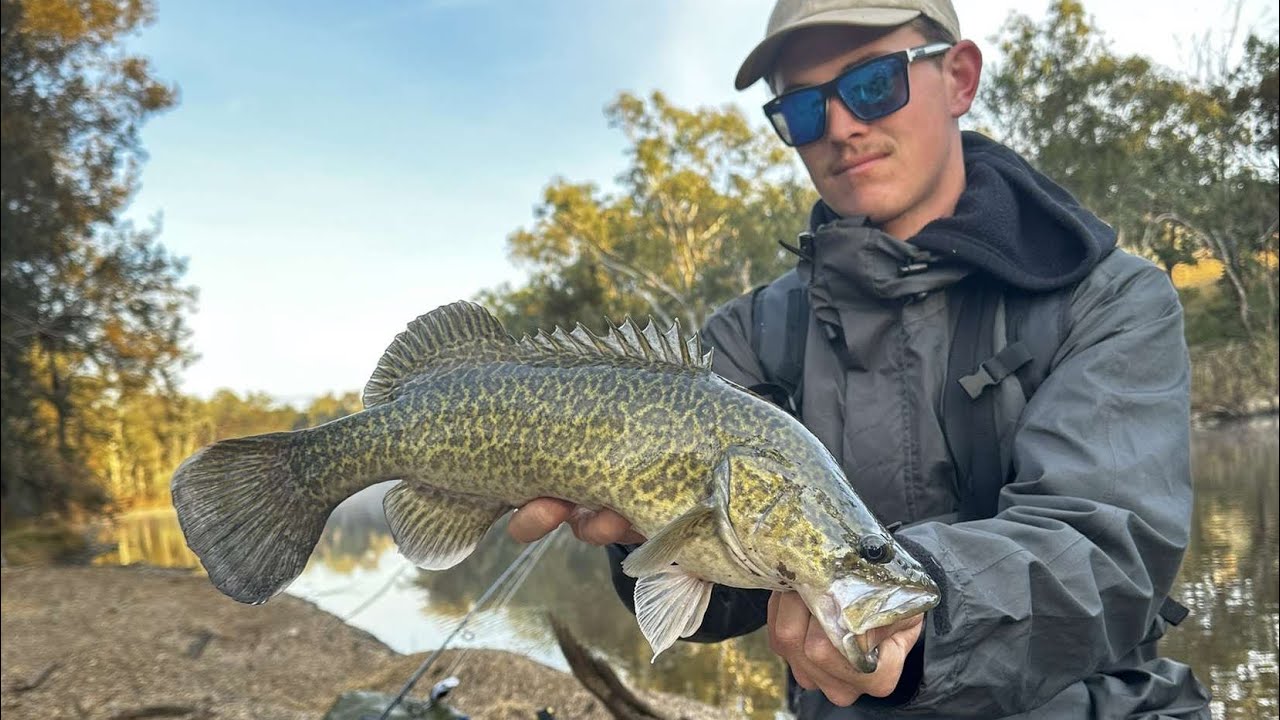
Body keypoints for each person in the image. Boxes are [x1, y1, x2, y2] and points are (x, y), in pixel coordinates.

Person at [508, 0, 1211, 716]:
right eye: (805, 110)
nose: (841, 126)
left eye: (874, 83)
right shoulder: (749, 334)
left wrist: (915, 616)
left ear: (960, 78)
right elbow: (721, 611)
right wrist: (647, 530)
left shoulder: (1109, 297)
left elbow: (1108, 553)